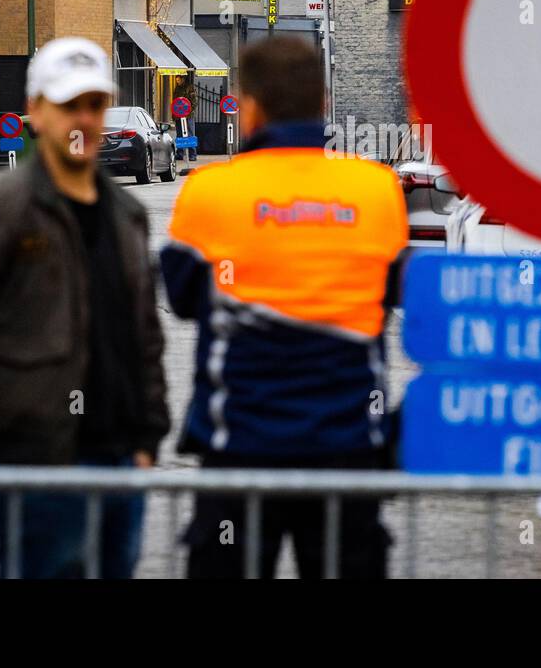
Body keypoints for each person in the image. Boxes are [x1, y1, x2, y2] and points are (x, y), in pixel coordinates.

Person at [0, 37, 170, 578]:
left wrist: (148, 439)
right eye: (69, 105)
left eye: (94, 105)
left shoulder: (127, 213)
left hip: (121, 459)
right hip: (40, 460)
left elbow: (144, 336)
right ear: (36, 113)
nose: (85, 119)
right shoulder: (2, 205)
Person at [160, 36, 407, 579]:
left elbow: (181, 298)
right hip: (348, 451)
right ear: (323, 102)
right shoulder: (376, 189)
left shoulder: (209, 191)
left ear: (247, 107)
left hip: (239, 450)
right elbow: (394, 291)